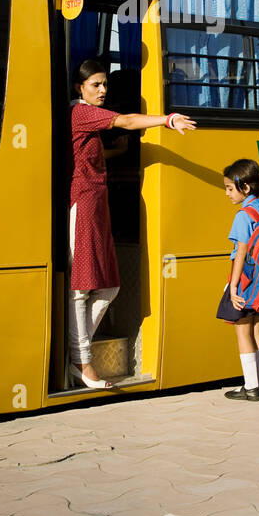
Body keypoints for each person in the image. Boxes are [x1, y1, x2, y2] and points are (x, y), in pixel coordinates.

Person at [70, 59, 195, 387]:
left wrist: (116, 153)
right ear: (79, 88)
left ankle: (75, 352)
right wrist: (166, 120)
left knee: (109, 285)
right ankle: (81, 362)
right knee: (82, 289)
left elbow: (86, 155)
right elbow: (125, 120)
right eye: (95, 84)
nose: (102, 90)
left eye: (105, 84)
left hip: (96, 203)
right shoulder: (81, 112)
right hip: (81, 204)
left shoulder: (85, 118)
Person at [217, 158, 259, 401]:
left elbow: (241, 252)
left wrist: (232, 287)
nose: (227, 193)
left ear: (246, 188)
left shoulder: (244, 215)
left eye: (230, 188)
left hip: (245, 279)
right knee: (258, 329)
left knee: (242, 330)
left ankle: (250, 386)